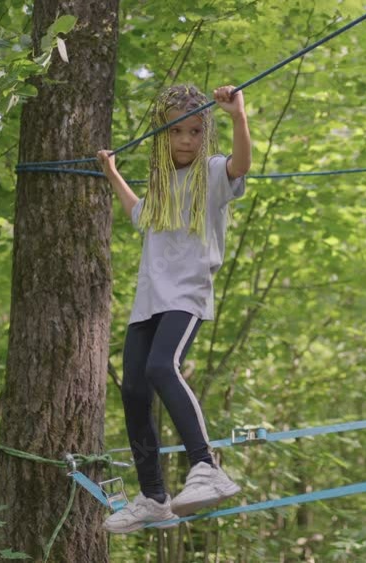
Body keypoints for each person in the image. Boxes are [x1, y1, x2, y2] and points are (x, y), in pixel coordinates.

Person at [96, 83, 252, 533]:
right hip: (149, 301)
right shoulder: (162, 186)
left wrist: (237, 116)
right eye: (177, 131)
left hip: (186, 295)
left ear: (206, 136)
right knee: (133, 392)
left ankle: (207, 466)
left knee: (163, 368)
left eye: (196, 131)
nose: (187, 140)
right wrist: (111, 173)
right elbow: (138, 214)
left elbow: (242, 163)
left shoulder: (212, 173)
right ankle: (153, 497)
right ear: (162, 136)